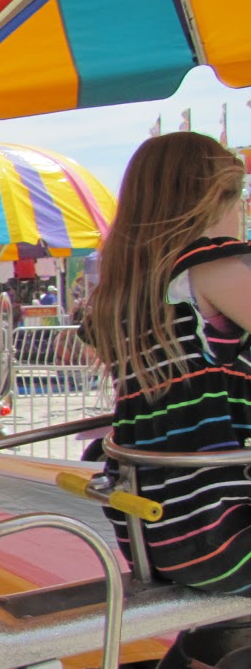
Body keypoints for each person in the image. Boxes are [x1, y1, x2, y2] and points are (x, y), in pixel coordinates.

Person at [83, 131, 251, 595]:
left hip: (157, 533)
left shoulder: (122, 296)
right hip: (227, 531)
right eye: (238, 195)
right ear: (212, 200)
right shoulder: (212, 268)